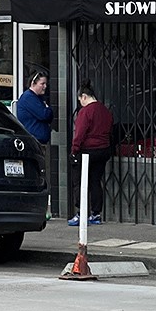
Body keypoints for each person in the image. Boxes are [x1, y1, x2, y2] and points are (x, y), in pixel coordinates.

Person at [68, 81, 113, 226]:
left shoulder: (85, 112)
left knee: (80, 182)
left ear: (84, 96)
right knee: (95, 182)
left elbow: (79, 133)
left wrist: (74, 150)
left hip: (87, 151)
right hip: (103, 150)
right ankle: (96, 214)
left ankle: (81, 213)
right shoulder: (105, 111)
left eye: (80, 99)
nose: (80, 102)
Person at [16, 70, 54, 148]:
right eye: (42, 84)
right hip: (34, 142)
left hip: (38, 141)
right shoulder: (29, 98)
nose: (45, 86)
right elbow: (45, 115)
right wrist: (48, 109)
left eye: (46, 83)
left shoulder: (36, 98)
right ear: (33, 83)